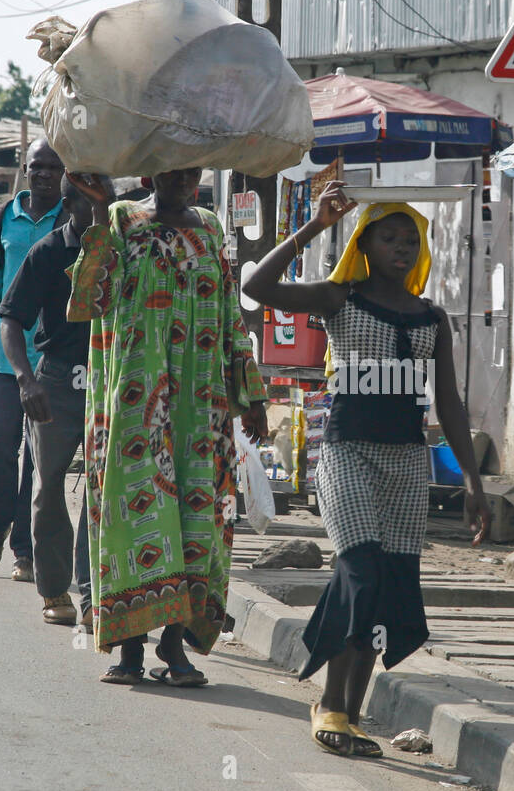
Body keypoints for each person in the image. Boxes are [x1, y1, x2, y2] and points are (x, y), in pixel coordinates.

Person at [242, 185, 492, 757]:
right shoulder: (338, 299)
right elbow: (256, 288)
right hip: (347, 454)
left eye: (411, 240)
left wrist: (472, 485)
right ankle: (329, 701)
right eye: (389, 237)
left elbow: (447, 402)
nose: (402, 247)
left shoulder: (433, 318)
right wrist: (312, 226)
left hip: (407, 463)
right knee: (359, 567)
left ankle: (351, 713)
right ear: (365, 242)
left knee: (389, 586)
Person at [66, 167, 268, 686]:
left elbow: (228, 308)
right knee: (136, 515)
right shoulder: (122, 218)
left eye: (192, 169)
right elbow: (90, 296)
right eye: (174, 170)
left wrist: (250, 394)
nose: (186, 179)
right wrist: (100, 204)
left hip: (201, 403)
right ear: (153, 170)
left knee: (196, 521)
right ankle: (130, 649)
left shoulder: (209, 226)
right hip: (135, 398)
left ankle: (175, 648)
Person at [0, 175, 109, 629]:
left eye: (108, 201)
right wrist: (25, 380)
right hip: (57, 383)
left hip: (111, 382)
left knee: (105, 490)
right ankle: (54, 588)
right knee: (48, 488)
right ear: (69, 205)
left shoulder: (120, 252)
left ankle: (92, 593)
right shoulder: (46, 253)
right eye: (92, 203)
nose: (103, 211)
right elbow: (10, 320)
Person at [0, 138, 66, 583]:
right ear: (24, 170)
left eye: (52, 167)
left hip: (54, 356)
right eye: (35, 166)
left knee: (38, 462)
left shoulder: (73, 219)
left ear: (65, 173)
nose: (42, 174)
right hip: (4, 356)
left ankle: (25, 551)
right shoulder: (3, 217)